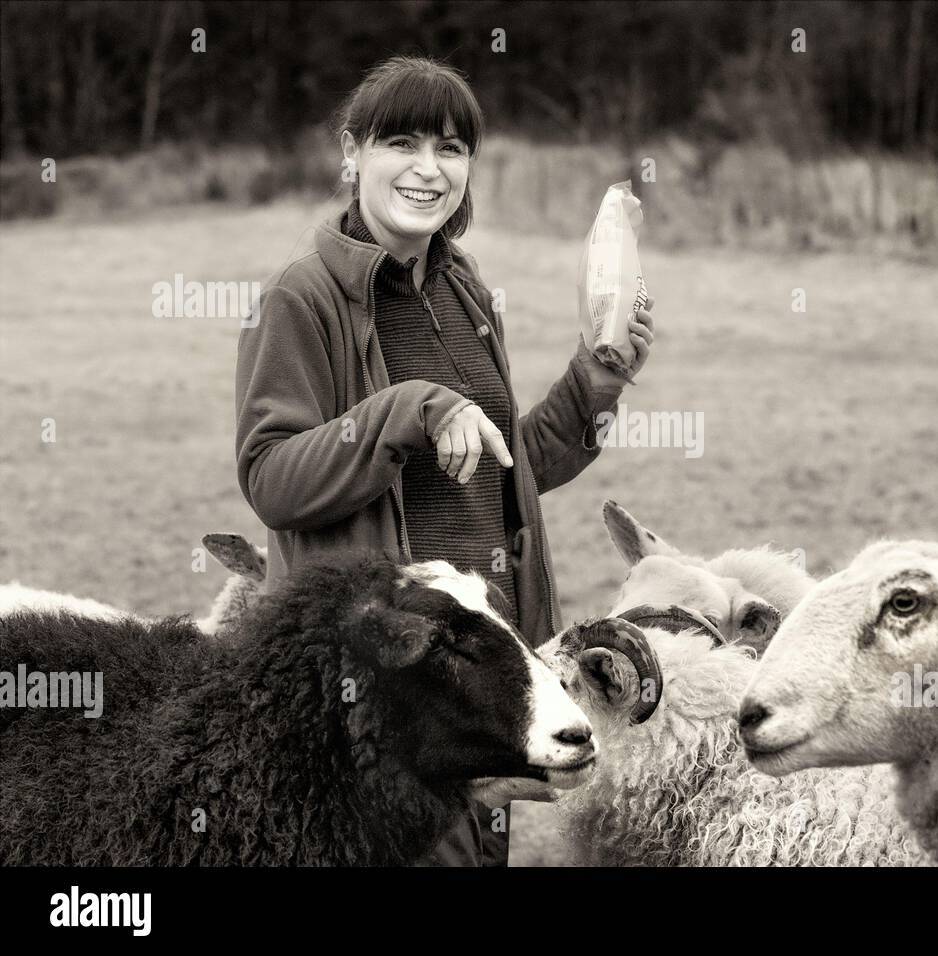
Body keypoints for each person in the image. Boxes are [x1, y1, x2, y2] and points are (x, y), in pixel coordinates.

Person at [234, 55, 655, 866]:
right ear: (351, 153)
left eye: (453, 148)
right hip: (378, 694)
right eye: (402, 142)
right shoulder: (301, 299)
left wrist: (593, 385)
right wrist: (410, 407)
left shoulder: (463, 293)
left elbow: (503, 468)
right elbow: (272, 479)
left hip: (476, 687)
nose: (430, 169)